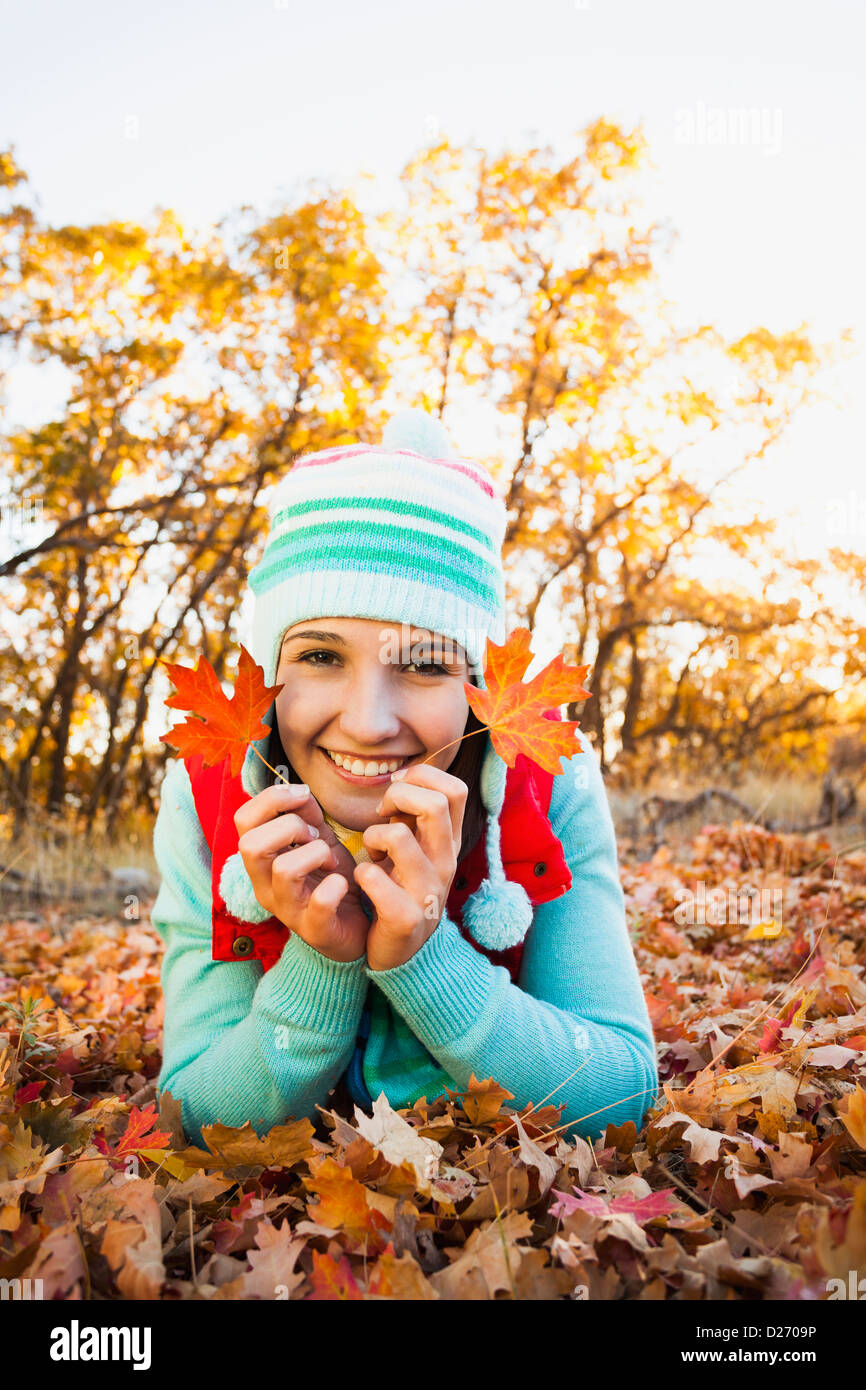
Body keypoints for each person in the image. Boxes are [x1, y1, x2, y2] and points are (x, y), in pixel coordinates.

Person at [151, 409, 659, 1148]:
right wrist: (322, 965)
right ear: (268, 675)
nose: (367, 722)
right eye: (321, 656)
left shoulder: (547, 787)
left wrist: (425, 958)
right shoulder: (208, 798)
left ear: (476, 685)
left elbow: (624, 1090)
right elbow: (193, 1116)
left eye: (424, 664)